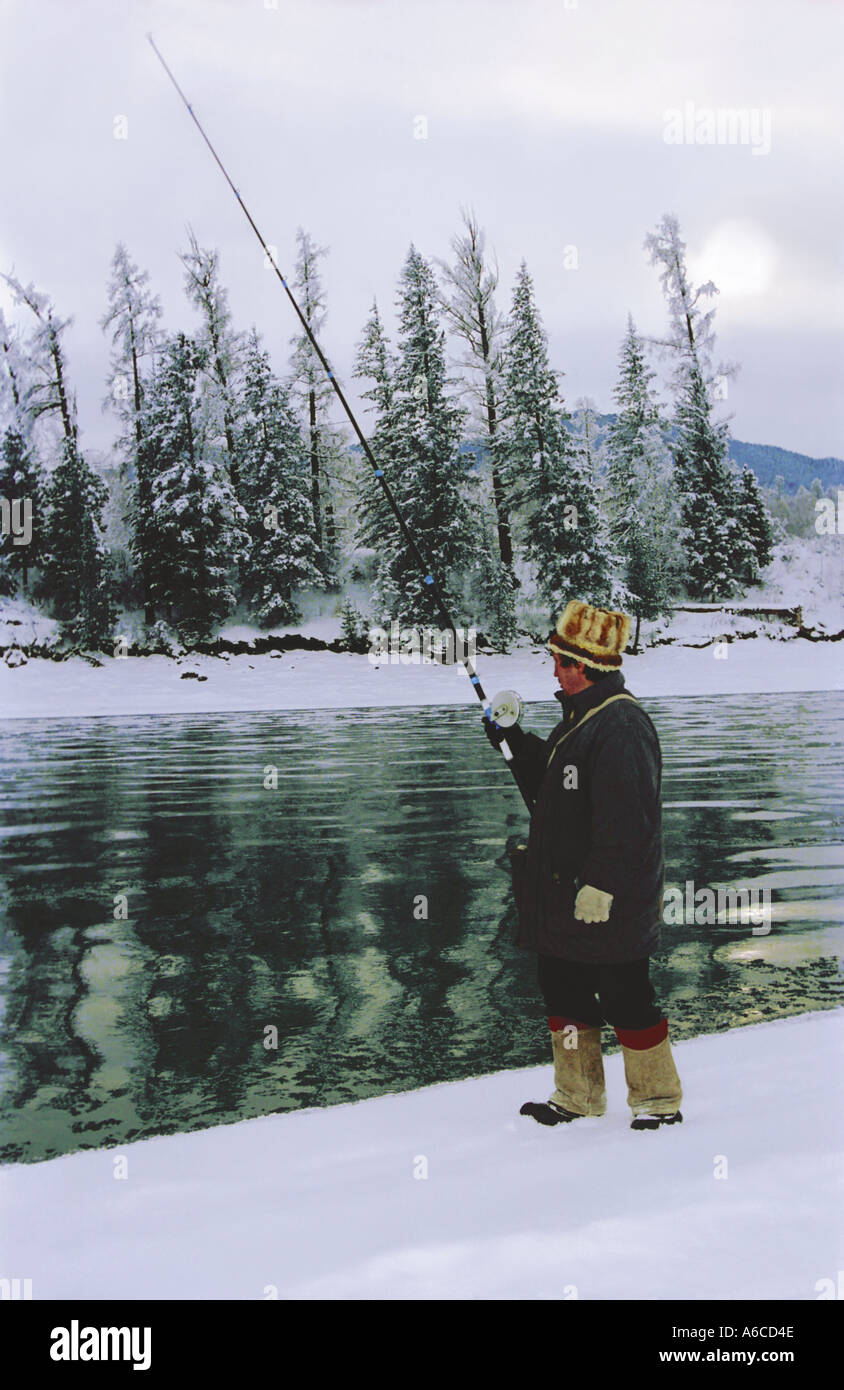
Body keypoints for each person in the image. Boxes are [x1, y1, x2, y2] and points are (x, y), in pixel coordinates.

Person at [484, 599, 683, 1131]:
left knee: (626, 996)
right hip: (559, 893)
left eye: (562, 662)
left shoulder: (621, 725)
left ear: (588, 667)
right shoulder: (579, 719)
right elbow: (552, 792)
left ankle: (658, 1100)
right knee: (565, 993)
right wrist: (511, 740)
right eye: (555, 659)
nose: (554, 670)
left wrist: (601, 885)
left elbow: (629, 821)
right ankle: (577, 1096)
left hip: (608, 898)